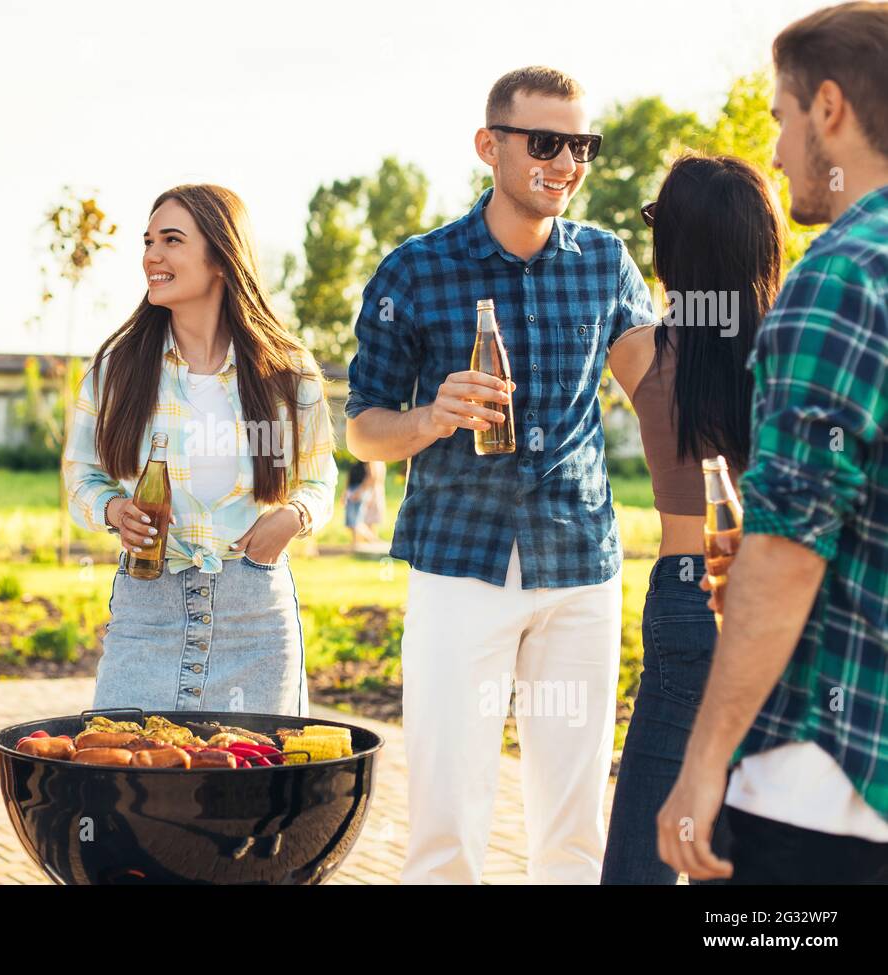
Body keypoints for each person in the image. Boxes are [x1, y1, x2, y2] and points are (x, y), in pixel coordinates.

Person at [346, 66, 653, 883]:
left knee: (575, 822)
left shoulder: (605, 262)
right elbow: (364, 428)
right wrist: (432, 416)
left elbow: (659, 393)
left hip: (580, 562)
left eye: (581, 144)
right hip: (460, 565)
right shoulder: (415, 271)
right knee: (447, 819)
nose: (567, 161)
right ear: (490, 146)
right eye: (546, 142)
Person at [659, 0, 888, 884]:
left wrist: (704, 759)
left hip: (822, 782)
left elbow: (790, 547)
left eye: (781, 119)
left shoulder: (839, 275)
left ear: (828, 108)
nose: (780, 150)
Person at [63, 184, 337, 716]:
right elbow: (82, 474)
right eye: (148, 242)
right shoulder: (116, 373)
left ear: (220, 257)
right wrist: (112, 510)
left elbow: (319, 479)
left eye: (171, 240)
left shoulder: (288, 371)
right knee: (128, 783)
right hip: (148, 613)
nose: (152, 257)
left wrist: (294, 517)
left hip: (255, 615)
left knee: (255, 787)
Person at [601, 154, 786, 884]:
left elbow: (661, 308)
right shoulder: (793, 352)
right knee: (760, 826)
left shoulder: (638, 353)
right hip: (775, 590)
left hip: (683, 593)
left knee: (650, 824)